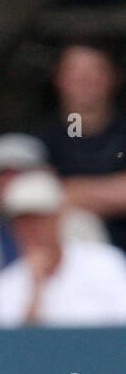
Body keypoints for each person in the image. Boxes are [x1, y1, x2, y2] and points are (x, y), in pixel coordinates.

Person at [0, 133, 107, 309]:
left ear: (46, 174)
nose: (10, 183)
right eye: (0, 176)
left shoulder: (86, 228)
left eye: (19, 173)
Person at [0, 169, 126, 327]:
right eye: (23, 221)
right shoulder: (5, 285)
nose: (32, 229)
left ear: (58, 218)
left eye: (40, 219)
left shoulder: (105, 263)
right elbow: (12, 346)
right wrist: (36, 288)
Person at [33, 41, 126, 252]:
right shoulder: (39, 142)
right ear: (58, 78)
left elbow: (52, 195)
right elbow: (34, 201)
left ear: (114, 77)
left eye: (95, 70)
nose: (85, 79)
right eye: (75, 71)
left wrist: (71, 191)